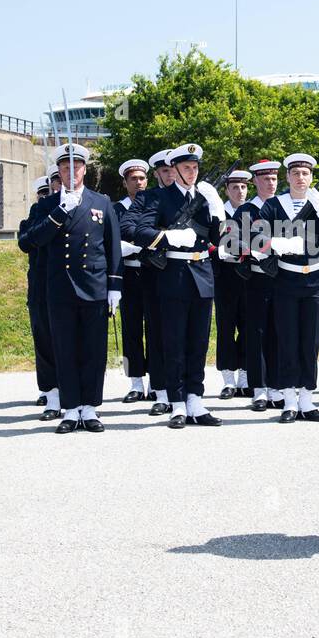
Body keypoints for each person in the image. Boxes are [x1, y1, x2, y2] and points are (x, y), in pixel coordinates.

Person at [21, 145, 122, 433]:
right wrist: (57, 214)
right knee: (64, 349)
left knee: (93, 349)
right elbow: (27, 242)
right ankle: (70, 408)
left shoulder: (101, 202)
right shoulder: (46, 205)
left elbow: (112, 246)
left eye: (76, 167)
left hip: (95, 287)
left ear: (84, 170)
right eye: (65, 167)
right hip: (60, 289)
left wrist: (114, 286)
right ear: (58, 171)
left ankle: (90, 408)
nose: (71, 172)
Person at [123, 143, 224, 429]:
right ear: (175, 170)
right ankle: (177, 403)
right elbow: (139, 230)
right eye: (186, 168)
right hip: (174, 275)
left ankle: (196, 400)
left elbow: (218, 236)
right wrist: (168, 239)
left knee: (199, 343)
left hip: (203, 274)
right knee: (174, 342)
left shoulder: (205, 198)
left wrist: (217, 211)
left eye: (195, 168)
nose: (191, 173)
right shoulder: (158, 197)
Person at [258, 153, 319, 423]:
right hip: (286, 280)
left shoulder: (318, 205)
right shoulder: (273, 205)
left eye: (305, 173)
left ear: (311, 178)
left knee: (309, 341)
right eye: (295, 173)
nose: (300, 178)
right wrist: (278, 245)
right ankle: (289, 401)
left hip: (315, 281)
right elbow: (255, 239)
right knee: (287, 340)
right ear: (288, 177)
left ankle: (307, 400)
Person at [234, 159, 284, 412]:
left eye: (274, 178)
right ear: (255, 181)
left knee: (278, 332)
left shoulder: (284, 206)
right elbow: (232, 241)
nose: (271, 183)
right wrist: (259, 249)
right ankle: (259, 389)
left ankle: (277, 387)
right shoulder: (246, 210)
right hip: (257, 277)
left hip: (283, 279)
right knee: (257, 333)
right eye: (265, 179)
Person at [134, 149, 177, 416]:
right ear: (157, 174)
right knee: (159, 335)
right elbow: (129, 227)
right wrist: (163, 237)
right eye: (165, 171)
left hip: (189, 275)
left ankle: (185, 392)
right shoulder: (147, 198)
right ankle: (161, 391)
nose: (170, 175)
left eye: (174, 170)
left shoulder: (195, 198)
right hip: (157, 275)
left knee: (185, 336)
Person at [18, 176, 59, 417]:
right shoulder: (36, 216)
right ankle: (50, 392)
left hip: (68, 288)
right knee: (44, 342)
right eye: (43, 192)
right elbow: (27, 241)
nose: (49, 193)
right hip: (41, 289)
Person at [114, 159, 152, 404]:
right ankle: (136, 383)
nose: (138, 183)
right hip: (129, 274)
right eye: (133, 179)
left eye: (141, 178)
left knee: (157, 331)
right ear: (125, 182)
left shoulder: (154, 204)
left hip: (153, 273)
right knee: (131, 331)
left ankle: (158, 383)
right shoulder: (117, 208)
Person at [214, 169, 252, 398]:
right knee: (226, 327)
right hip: (225, 276)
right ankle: (228, 379)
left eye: (244, 187)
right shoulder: (220, 213)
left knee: (248, 327)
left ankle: (245, 377)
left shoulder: (253, 213)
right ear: (227, 190)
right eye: (235, 187)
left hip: (248, 277)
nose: (240, 191)